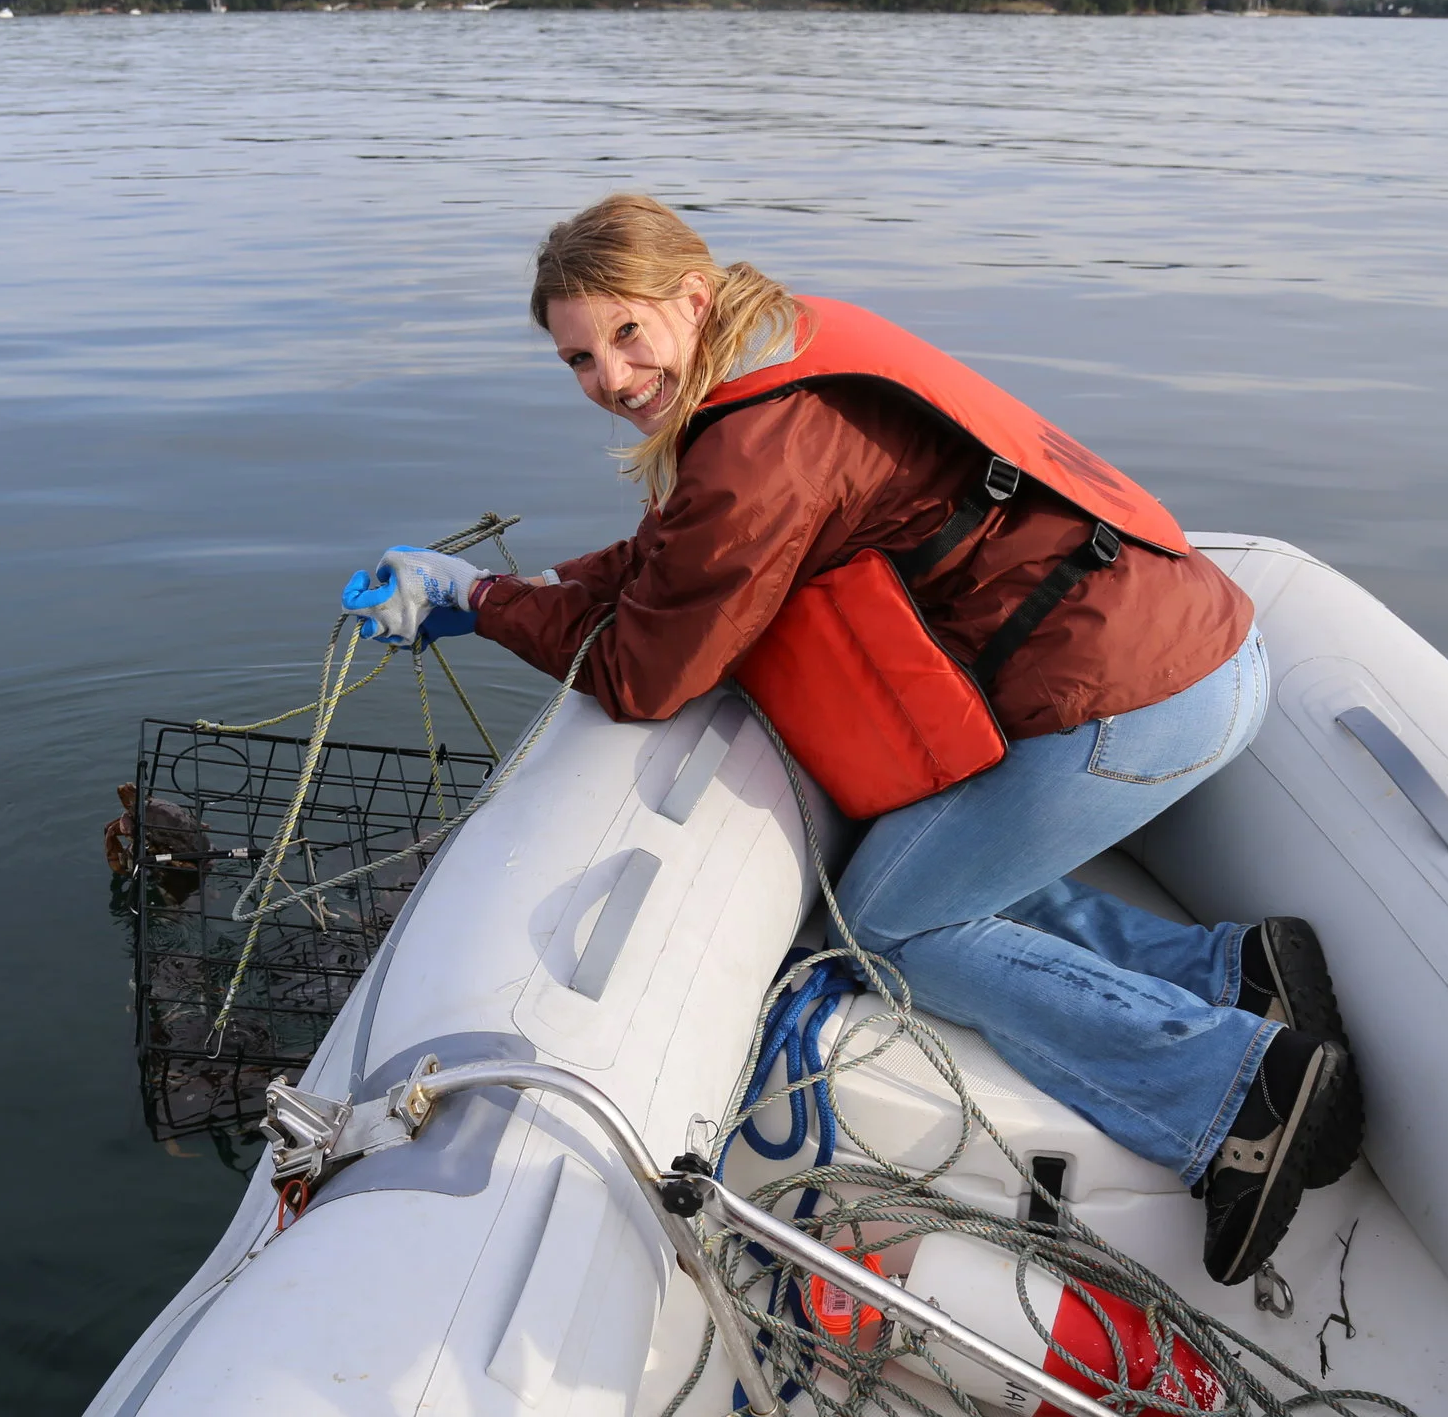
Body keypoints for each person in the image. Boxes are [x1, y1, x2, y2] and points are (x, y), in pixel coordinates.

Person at [337, 194, 1359, 1284]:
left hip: (1138, 700)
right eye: (578, 358)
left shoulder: (757, 446)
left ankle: (1233, 1091)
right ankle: (1232, 971)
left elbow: (646, 673)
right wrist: (519, 587)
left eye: (626, 334)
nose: (612, 378)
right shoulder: (781, 342)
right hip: (1184, 645)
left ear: (690, 297)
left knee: (882, 928)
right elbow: (680, 554)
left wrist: (484, 603)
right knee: (918, 863)